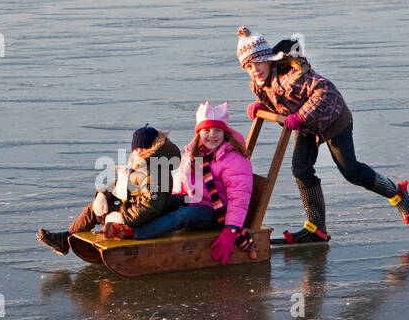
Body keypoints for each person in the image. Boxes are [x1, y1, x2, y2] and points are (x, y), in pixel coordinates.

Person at [236, 26, 409, 242]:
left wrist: (300, 116)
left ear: (268, 59)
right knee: (301, 169)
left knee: (351, 171)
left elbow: (325, 91)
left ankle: (397, 193)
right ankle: (316, 227)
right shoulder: (258, 85)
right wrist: (262, 106)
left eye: (258, 63)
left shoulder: (292, 76)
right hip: (308, 126)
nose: (255, 70)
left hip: (334, 119)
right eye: (248, 66)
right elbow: (279, 101)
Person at [104, 102, 256, 264]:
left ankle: (133, 232)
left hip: (218, 214)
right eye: (206, 130)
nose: (212, 135)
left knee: (185, 215)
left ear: (225, 134)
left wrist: (230, 230)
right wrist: (169, 202)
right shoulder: (193, 154)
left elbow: (239, 200)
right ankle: (131, 221)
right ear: (199, 132)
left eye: (217, 130)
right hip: (194, 201)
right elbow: (182, 185)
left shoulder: (234, 160)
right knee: (166, 201)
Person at [37, 125, 180, 255]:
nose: (138, 152)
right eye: (135, 149)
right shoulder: (138, 166)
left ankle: (121, 247)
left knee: (111, 223)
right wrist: (102, 195)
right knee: (92, 211)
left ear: (153, 147)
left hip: (149, 219)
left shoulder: (157, 171)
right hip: (132, 211)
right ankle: (65, 238)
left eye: (143, 148)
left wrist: (123, 218)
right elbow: (119, 184)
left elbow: (151, 206)